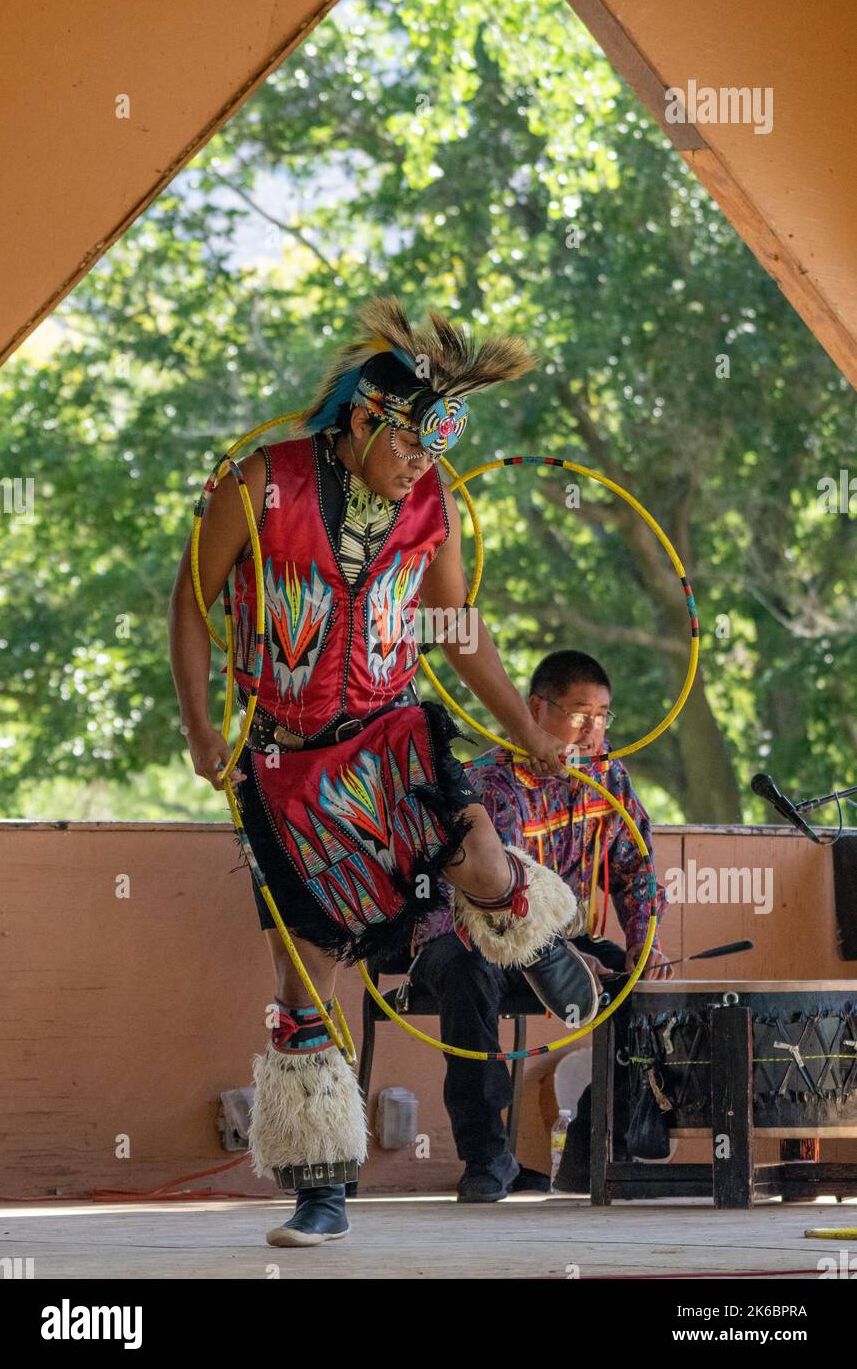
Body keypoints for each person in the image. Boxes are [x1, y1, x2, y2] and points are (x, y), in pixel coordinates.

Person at [167, 297, 600, 1247]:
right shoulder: (258, 484)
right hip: (284, 765)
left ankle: (546, 947)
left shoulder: (428, 501)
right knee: (305, 972)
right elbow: (192, 607)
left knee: (484, 862)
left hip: (394, 733)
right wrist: (203, 731)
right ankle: (321, 1183)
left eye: (434, 452)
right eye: (410, 445)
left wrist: (525, 725)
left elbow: (456, 627)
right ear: (365, 419)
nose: (422, 465)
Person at [407, 648, 672, 1201]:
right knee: (466, 971)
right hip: (469, 938)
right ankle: (486, 1159)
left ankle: (596, 1150)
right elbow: (495, 899)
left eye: (602, 716)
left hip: (564, 944)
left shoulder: (609, 780)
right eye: (579, 713)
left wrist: (645, 947)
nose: (593, 729)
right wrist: (559, 954)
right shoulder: (487, 783)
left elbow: (637, 873)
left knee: (642, 990)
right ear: (535, 709)